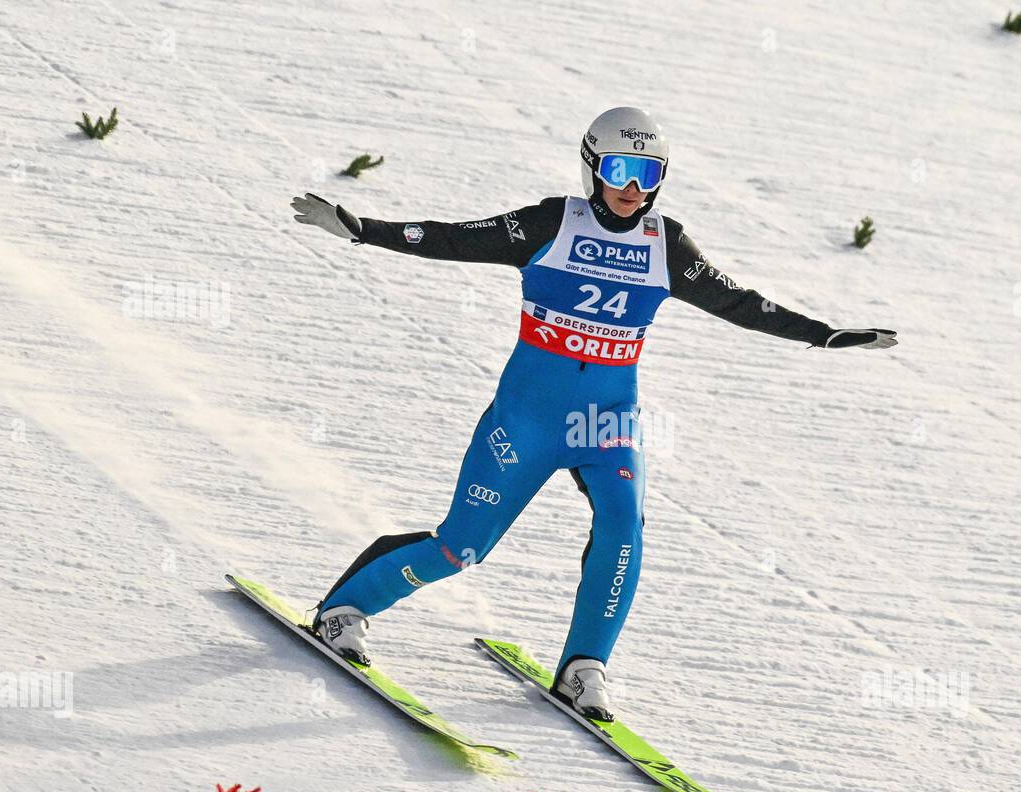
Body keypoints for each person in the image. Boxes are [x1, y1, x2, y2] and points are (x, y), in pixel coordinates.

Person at [290, 106, 897, 721]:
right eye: (619, 170)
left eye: (647, 173)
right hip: (526, 421)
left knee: (624, 530)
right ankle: (346, 610)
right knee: (462, 549)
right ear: (591, 168)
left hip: (607, 424)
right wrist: (363, 227)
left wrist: (823, 335)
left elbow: (739, 303)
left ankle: (585, 667)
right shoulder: (553, 223)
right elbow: (453, 237)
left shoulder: (666, 243)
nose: (632, 189)